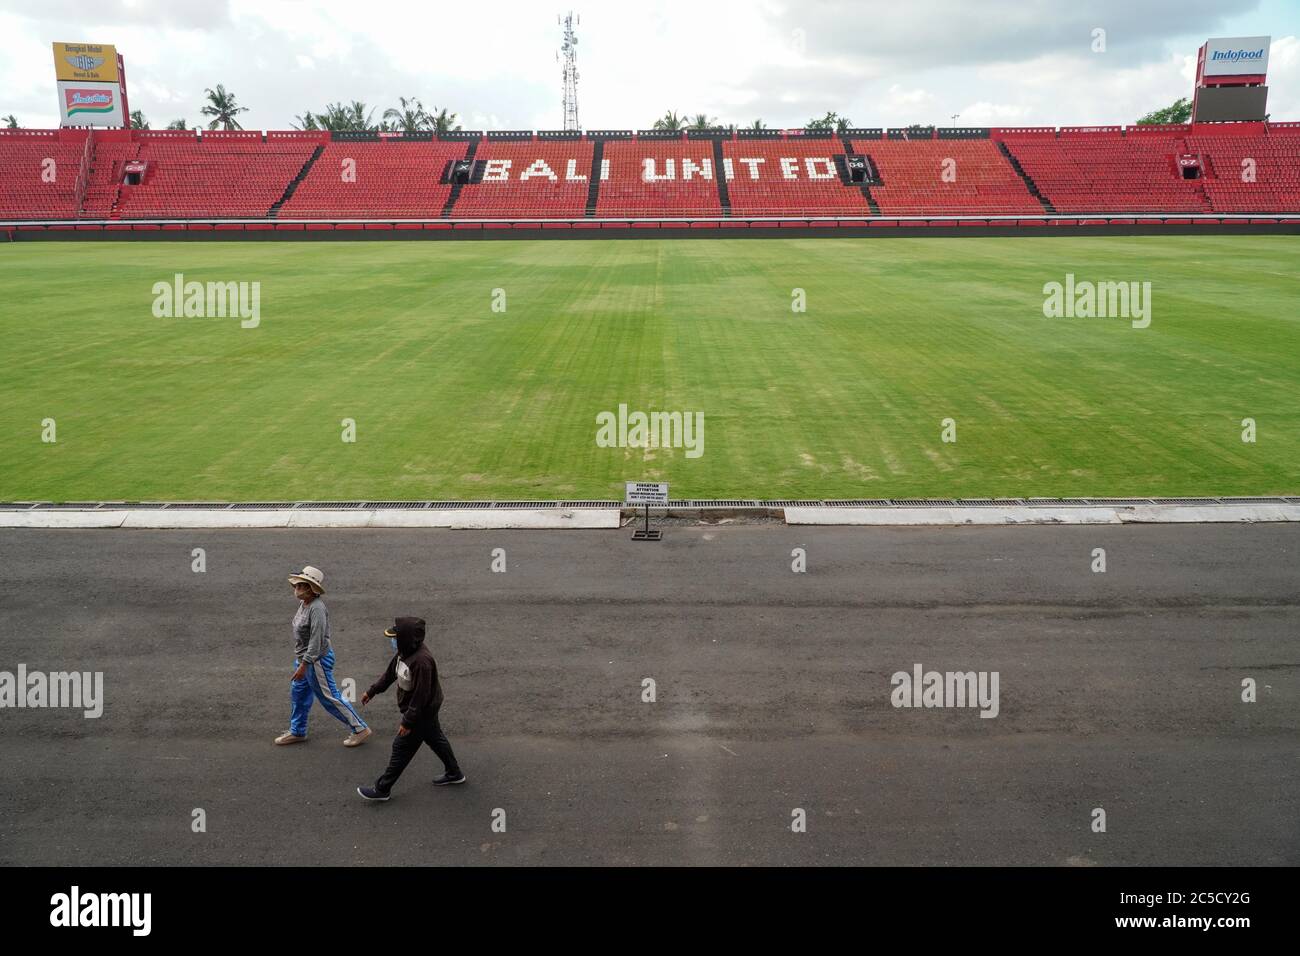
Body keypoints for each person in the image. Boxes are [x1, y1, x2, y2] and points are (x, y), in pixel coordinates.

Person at [357, 616, 465, 801]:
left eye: (394, 638)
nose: (392, 642)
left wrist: (408, 721)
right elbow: (390, 673)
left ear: (405, 638)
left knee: (401, 747)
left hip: (422, 712)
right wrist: (372, 691)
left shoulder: (421, 662)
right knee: (435, 738)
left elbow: (420, 696)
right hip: (422, 711)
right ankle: (454, 773)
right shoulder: (404, 652)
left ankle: (382, 788)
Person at [274, 565, 371, 747]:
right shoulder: (304, 604)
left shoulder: (316, 609)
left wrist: (305, 665)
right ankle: (297, 731)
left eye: (301, 586)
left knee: (329, 697)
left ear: (311, 589)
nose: (296, 589)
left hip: (315, 661)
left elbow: (316, 641)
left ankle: (359, 728)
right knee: (299, 694)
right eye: (297, 585)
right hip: (305, 659)